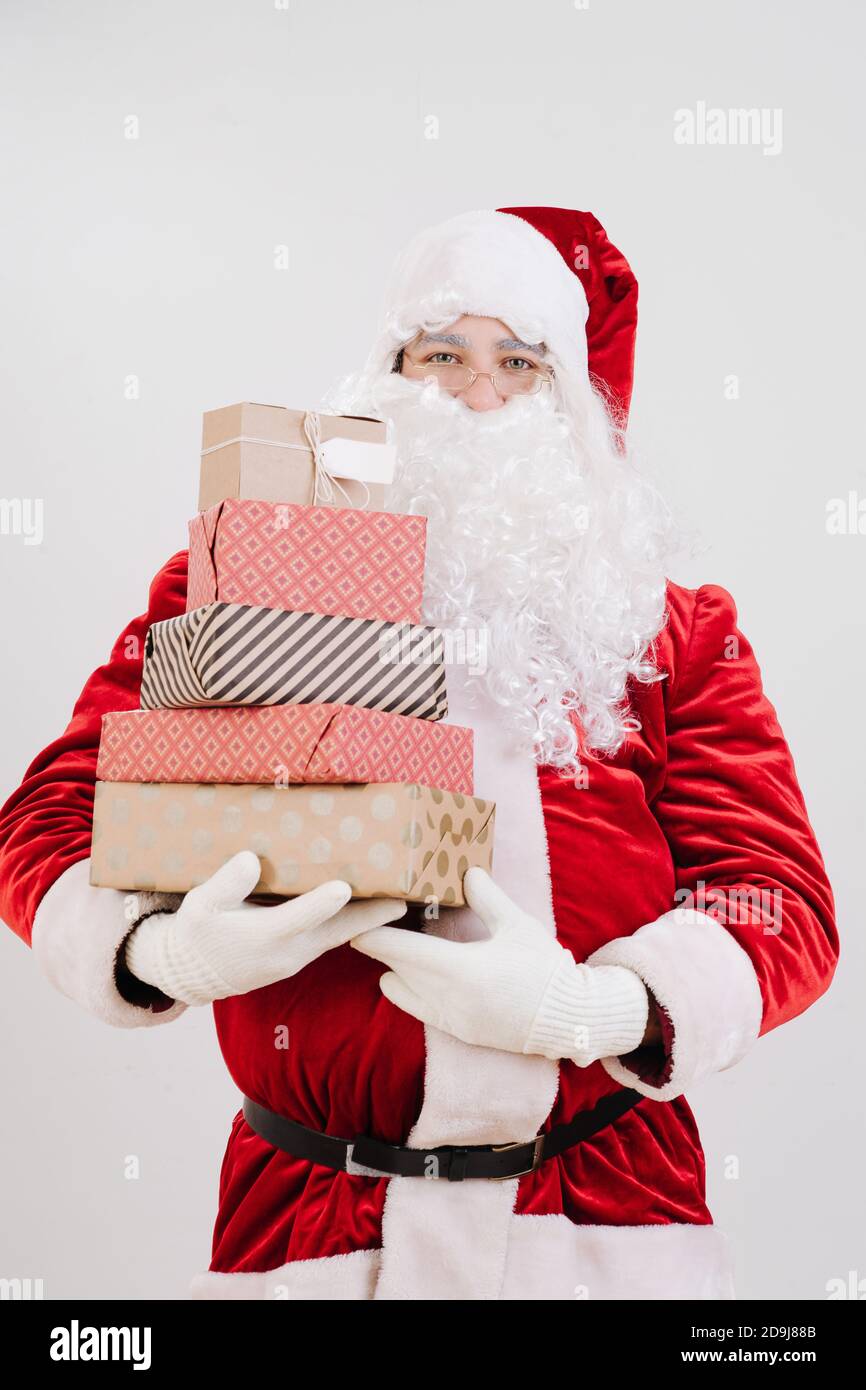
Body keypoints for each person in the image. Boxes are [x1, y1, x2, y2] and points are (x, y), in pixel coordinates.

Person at [0, 206, 838, 1301]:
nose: (476, 395)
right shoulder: (243, 567)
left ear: (569, 402)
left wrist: (600, 1012)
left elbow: (774, 900)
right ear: (383, 376)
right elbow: (51, 817)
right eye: (439, 355)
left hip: (598, 1226)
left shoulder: (672, 628)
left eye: (519, 363)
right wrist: (159, 952)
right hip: (309, 1221)